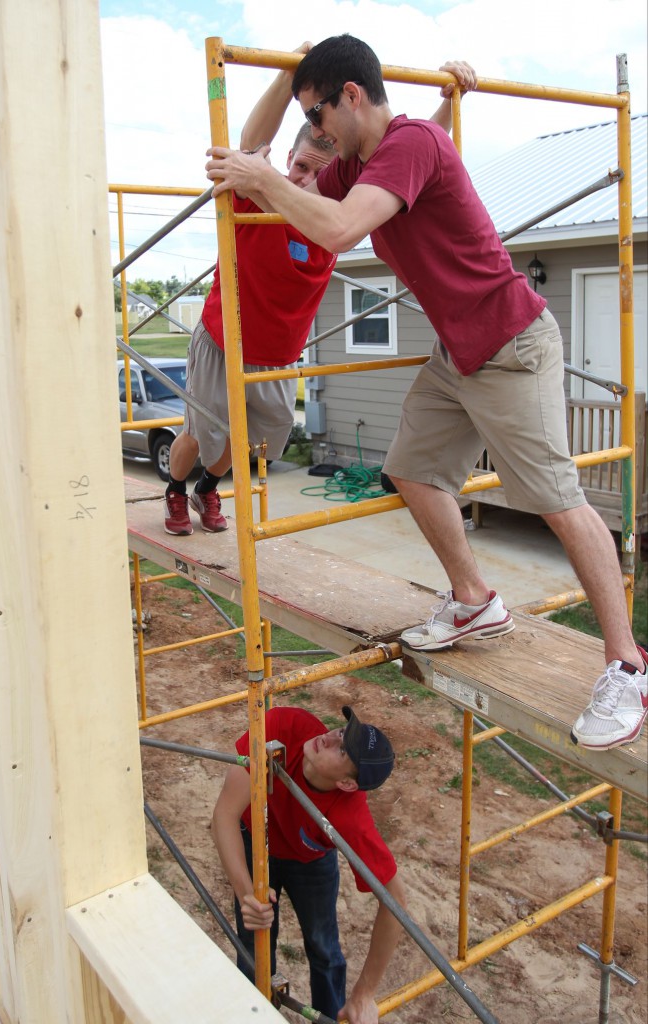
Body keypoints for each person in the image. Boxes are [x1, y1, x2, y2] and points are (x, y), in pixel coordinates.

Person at [204, 34, 647, 752]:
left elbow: (342, 223)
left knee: (558, 501)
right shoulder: (370, 159)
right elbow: (277, 173)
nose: (313, 135)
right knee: (411, 469)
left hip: (509, 343)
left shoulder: (405, 144)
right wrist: (276, 118)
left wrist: (264, 181)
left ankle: (627, 665)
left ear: (351, 95)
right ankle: (474, 601)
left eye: (316, 116)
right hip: (457, 351)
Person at [165, 44, 472, 537]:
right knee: (204, 434)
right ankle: (177, 489)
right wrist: (291, 74)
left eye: (315, 172)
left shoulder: (333, 211)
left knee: (255, 439)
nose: (304, 179)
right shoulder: (257, 195)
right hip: (226, 339)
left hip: (277, 354)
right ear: (284, 161)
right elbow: (249, 143)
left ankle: (207, 487)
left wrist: (451, 102)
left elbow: (408, 157)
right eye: (299, 167)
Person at [212, 704, 403, 1024]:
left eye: (343, 751)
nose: (329, 738)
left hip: (311, 860)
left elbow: (395, 898)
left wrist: (365, 994)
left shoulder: (349, 817)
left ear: (347, 784)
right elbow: (225, 814)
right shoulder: (284, 725)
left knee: (324, 947)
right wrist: (246, 892)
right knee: (253, 942)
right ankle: (254, 1014)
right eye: (342, 732)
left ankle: (332, 1016)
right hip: (255, 840)